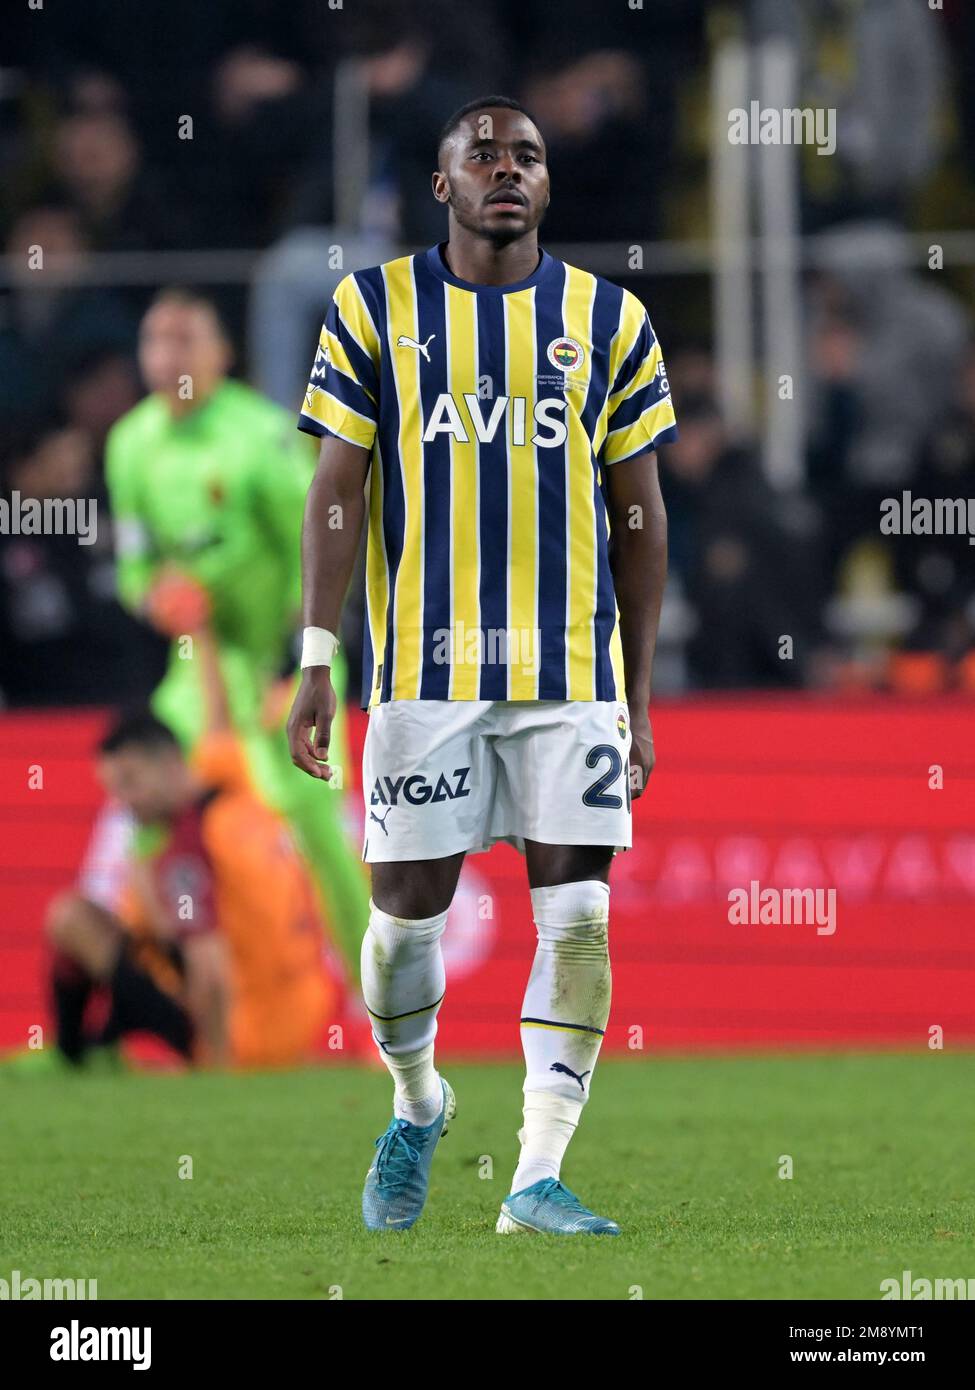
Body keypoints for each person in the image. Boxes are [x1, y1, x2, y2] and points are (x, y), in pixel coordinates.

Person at [287, 96, 676, 1235]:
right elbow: (337, 490)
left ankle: (533, 1177)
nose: (509, 170)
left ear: (548, 188)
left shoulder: (610, 321)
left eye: (530, 157)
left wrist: (637, 698)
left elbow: (640, 516)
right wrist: (321, 657)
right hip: (423, 678)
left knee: (581, 918)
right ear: (443, 184)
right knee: (406, 925)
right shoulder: (375, 307)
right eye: (483, 156)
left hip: (570, 680)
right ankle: (419, 1103)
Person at [104, 287, 370, 976]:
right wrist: (154, 597)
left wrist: (293, 661)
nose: (169, 357)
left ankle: (384, 1014)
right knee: (140, 797)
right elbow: (134, 568)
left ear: (222, 352)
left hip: (288, 660)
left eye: (186, 339)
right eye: (156, 341)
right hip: (201, 669)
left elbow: (320, 549)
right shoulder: (130, 444)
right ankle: (145, 1005)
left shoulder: (263, 437)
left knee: (315, 826)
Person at [45, 627, 337, 1070]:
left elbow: (208, 962)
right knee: (139, 911)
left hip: (245, 1032)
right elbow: (219, 719)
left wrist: (215, 1063)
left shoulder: (188, 846)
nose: (124, 802)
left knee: (71, 918)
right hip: (298, 1011)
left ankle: (74, 1058)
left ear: (168, 765)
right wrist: (204, 633)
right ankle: (98, 1048)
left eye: (130, 784)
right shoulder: (229, 782)